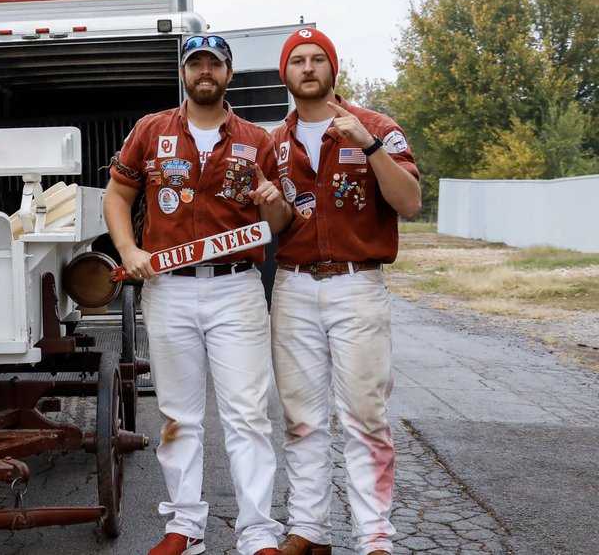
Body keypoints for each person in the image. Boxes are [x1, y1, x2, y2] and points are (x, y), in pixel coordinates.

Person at [104, 35, 292, 555]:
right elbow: (118, 195)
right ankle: (185, 527)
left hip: (236, 288)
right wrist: (128, 249)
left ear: (228, 73)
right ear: (184, 73)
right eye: (196, 64)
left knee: (248, 413)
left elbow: (280, 222)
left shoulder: (259, 139)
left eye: (215, 64)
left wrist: (273, 203)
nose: (205, 72)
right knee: (178, 414)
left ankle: (257, 531)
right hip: (169, 289)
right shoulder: (151, 130)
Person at [270, 28, 421, 555]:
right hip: (293, 287)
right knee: (301, 417)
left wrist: (370, 146)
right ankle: (308, 529)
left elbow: (409, 202)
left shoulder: (377, 127)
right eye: (298, 61)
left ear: (333, 70)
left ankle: (375, 536)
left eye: (318, 60)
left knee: (364, 415)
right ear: (285, 74)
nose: (308, 68)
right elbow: (274, 220)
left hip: (357, 286)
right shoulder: (273, 143)